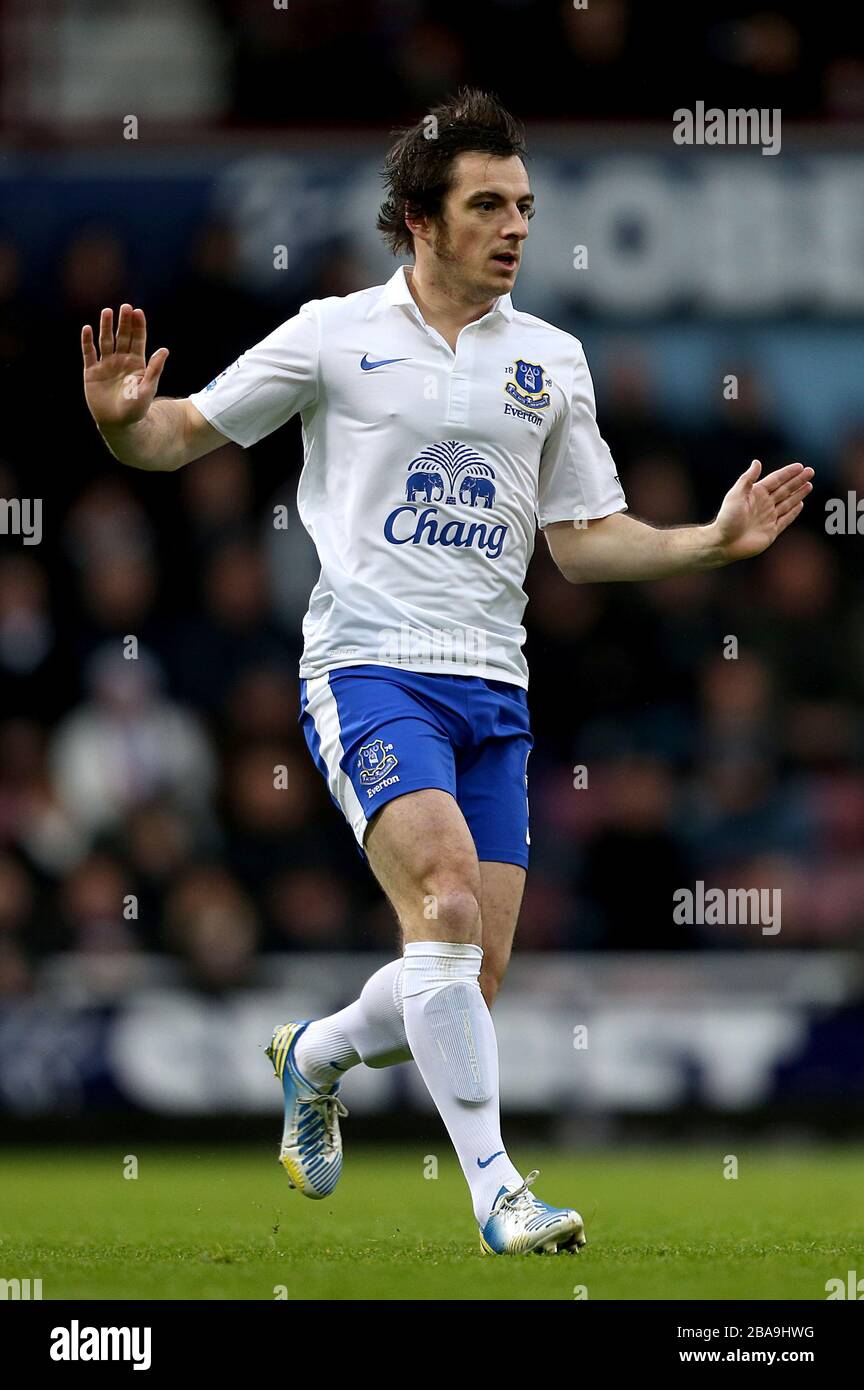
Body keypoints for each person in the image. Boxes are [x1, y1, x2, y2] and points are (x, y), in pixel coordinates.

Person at [81, 88, 814, 1256]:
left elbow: (582, 542)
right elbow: (178, 435)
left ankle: (314, 1053)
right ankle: (500, 1191)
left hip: (497, 691)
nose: (515, 225)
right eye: (488, 205)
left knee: (469, 967)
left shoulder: (553, 360)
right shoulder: (332, 333)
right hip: (370, 668)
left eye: (524, 204)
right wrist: (123, 424)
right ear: (421, 219)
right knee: (448, 904)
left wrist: (709, 543)